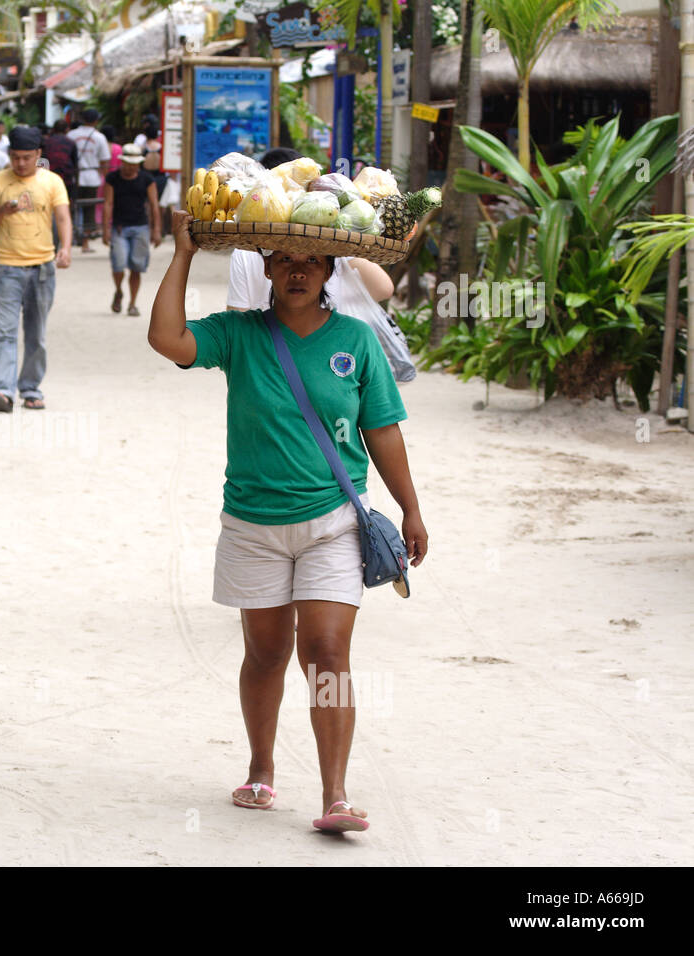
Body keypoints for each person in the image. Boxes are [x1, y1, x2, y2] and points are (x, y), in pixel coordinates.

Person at [147, 210, 428, 834]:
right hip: (253, 523)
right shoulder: (239, 334)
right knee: (266, 653)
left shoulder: (356, 342)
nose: (298, 270)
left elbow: (382, 430)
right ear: (266, 267)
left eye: (311, 261)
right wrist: (184, 253)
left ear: (329, 269)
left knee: (326, 652)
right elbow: (167, 339)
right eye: (285, 260)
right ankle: (261, 765)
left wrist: (411, 508)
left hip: (333, 521)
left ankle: (335, 794)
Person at [225, 149, 416, 382]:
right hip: (333, 362)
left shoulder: (245, 250)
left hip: (270, 362)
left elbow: (238, 318)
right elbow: (383, 289)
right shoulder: (331, 241)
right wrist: (345, 245)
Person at [0, 125, 72, 412]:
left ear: (38, 155)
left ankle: (30, 388)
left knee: (36, 333)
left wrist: (65, 247)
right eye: (16, 157)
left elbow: (64, 218)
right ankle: (3, 392)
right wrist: (2, 211)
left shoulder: (53, 182)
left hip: (42, 267)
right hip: (7, 267)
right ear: (9, 154)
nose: (20, 163)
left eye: (27, 157)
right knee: (4, 332)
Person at [103, 144, 161, 317]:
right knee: (118, 264)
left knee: (137, 266)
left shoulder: (147, 179)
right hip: (119, 227)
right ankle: (119, 290)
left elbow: (154, 205)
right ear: (122, 162)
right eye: (128, 163)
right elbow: (108, 203)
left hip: (140, 227)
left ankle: (132, 303)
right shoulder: (112, 179)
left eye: (134, 164)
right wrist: (106, 228)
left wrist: (156, 229)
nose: (131, 167)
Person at [67, 108, 109, 253]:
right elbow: (105, 161)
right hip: (92, 177)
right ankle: (85, 243)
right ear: (96, 120)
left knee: (71, 207)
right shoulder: (99, 137)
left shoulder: (71, 135)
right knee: (89, 209)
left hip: (74, 177)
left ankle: (69, 239)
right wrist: (104, 176)